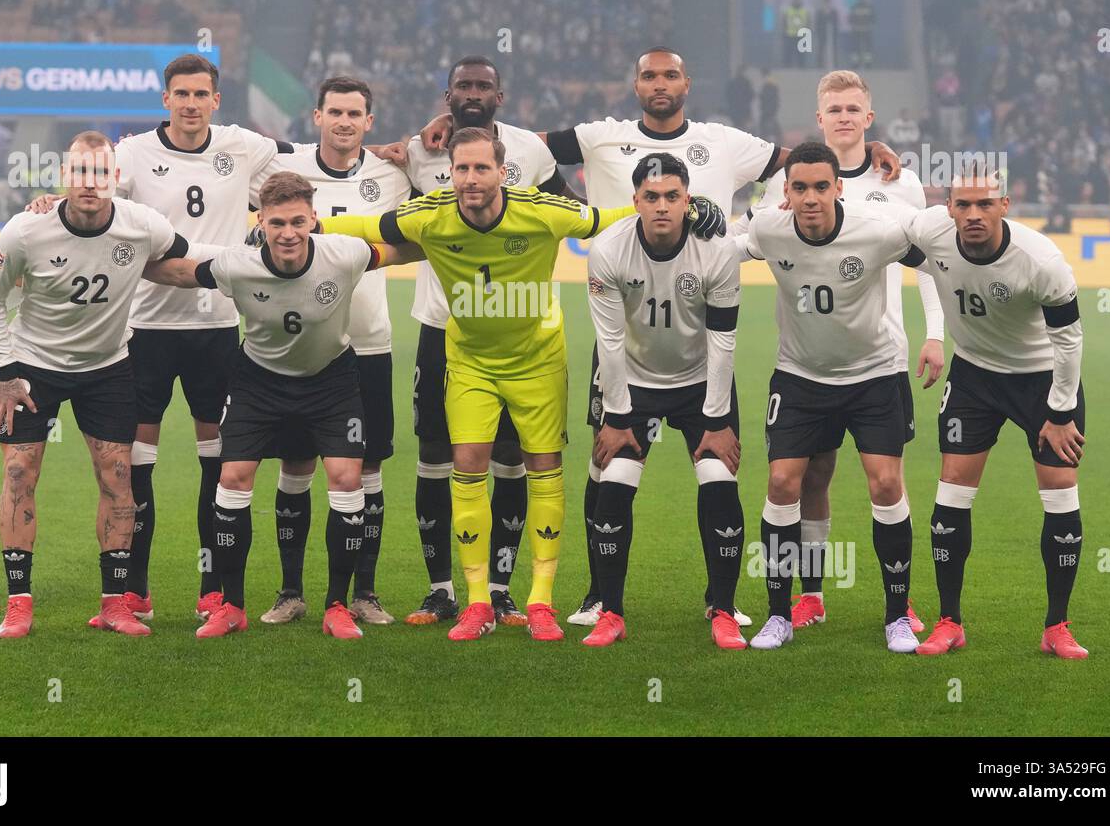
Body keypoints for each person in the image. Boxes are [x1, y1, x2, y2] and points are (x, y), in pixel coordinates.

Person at [420, 46, 902, 627]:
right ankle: (601, 596)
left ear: (686, 83)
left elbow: (796, 163)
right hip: (626, 337)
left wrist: (861, 150)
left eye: (670, 74)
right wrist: (462, 123)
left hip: (699, 337)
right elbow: (519, 143)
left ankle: (719, 603)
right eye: (648, 74)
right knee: (606, 467)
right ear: (636, 84)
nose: (659, 83)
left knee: (715, 473)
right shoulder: (602, 136)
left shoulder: (724, 141)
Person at [322, 127, 723, 642]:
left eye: (480, 168)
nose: (470, 179)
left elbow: (606, 217)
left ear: (500, 170)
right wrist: (308, 223)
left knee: (543, 468)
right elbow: (363, 223)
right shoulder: (431, 214)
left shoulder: (540, 210)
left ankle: (539, 601)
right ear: (451, 172)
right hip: (469, 363)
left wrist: (693, 207)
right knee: (466, 464)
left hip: (537, 361)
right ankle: (475, 604)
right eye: (461, 169)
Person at [143, 173, 422, 640]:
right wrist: (118, 256)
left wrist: (458, 233)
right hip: (258, 383)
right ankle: (231, 606)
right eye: (277, 223)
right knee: (231, 479)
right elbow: (177, 271)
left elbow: (406, 249)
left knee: (347, 478)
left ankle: (337, 605)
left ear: (313, 219)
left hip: (331, 380)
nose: (288, 232)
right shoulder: (236, 265)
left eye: (297, 221)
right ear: (262, 223)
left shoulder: (345, 253)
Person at [738, 71, 941, 633]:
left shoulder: (896, 185)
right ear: (820, 117)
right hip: (805, 367)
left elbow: (930, 256)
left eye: (855, 108)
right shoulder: (785, 199)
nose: (845, 116)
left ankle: (898, 609)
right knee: (802, 481)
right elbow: (738, 239)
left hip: (879, 358)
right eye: (835, 108)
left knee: (886, 480)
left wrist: (936, 333)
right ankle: (805, 598)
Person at [0, 132, 190, 639]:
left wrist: (247, 260)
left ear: (115, 178)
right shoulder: (27, 229)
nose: (89, 183)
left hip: (108, 367)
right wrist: (6, 374)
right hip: (33, 367)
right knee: (17, 474)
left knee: (119, 477)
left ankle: (115, 604)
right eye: (79, 172)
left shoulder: (142, 225)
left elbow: (184, 255)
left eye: (99, 173)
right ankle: (18, 604)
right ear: (64, 177)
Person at [401, 56, 571, 628]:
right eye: (463, 86)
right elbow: (369, 171)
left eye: (483, 86)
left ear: (500, 94)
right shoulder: (421, 149)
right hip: (441, 325)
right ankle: (441, 588)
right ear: (446, 93)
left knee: (511, 459)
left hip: (518, 331)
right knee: (436, 456)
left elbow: (565, 209)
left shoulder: (531, 152)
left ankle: (500, 589)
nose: (473, 94)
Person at [904, 169, 1089, 659]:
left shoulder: (1041, 261)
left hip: (1042, 381)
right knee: (952, 492)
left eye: (984, 204)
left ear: (1005, 204)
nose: (973, 215)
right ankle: (950, 621)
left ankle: (1057, 626)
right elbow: (878, 228)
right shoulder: (929, 231)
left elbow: (1069, 340)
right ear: (948, 208)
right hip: (975, 378)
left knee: (1059, 495)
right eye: (962, 204)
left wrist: (1061, 411)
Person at [251, 76, 414, 627]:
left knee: (367, 469)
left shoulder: (393, 173)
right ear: (316, 117)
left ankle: (362, 593)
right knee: (295, 465)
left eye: (356, 114)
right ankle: (289, 591)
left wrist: (417, 144)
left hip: (368, 346)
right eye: (335, 112)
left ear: (371, 122)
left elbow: (425, 222)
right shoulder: (283, 169)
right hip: (300, 353)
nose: (345, 121)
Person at [585, 153, 747, 649]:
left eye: (672, 197)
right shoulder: (608, 251)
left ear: (687, 200)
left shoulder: (717, 252)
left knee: (719, 481)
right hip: (631, 380)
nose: (661, 206)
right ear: (635, 201)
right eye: (651, 197)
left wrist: (716, 422)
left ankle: (721, 606)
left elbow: (723, 341)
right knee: (613, 481)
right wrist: (616, 416)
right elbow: (609, 341)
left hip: (700, 382)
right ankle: (610, 610)